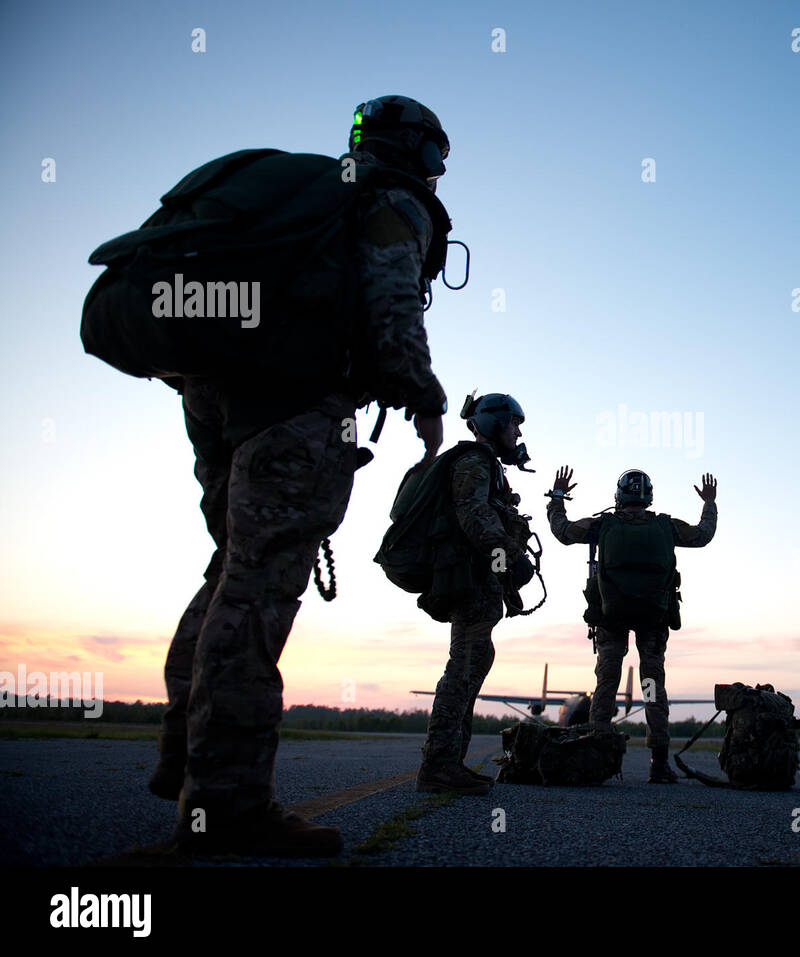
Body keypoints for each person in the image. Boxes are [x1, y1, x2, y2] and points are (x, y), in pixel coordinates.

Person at [153, 95, 452, 856]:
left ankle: (186, 756)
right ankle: (225, 801)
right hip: (297, 403)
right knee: (261, 583)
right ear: (414, 147)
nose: (439, 170)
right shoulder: (389, 199)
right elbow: (392, 303)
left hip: (215, 395)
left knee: (232, 567)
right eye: (437, 153)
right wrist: (422, 393)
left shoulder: (305, 195)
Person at [547, 468, 717, 782]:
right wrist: (709, 503)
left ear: (619, 496)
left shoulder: (601, 525)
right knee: (653, 687)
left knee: (607, 683)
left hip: (612, 617)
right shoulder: (667, 526)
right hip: (653, 618)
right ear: (648, 496)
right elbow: (703, 535)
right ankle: (659, 763)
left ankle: (597, 755)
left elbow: (563, 531)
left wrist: (557, 498)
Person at [415, 394, 534, 796]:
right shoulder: (475, 461)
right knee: (463, 665)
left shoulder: (488, 465)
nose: (518, 433)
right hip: (469, 578)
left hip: (481, 582)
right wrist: (510, 555)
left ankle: (450, 762)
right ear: (494, 424)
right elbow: (472, 513)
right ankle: (437, 766)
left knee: (476, 659)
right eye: (513, 424)